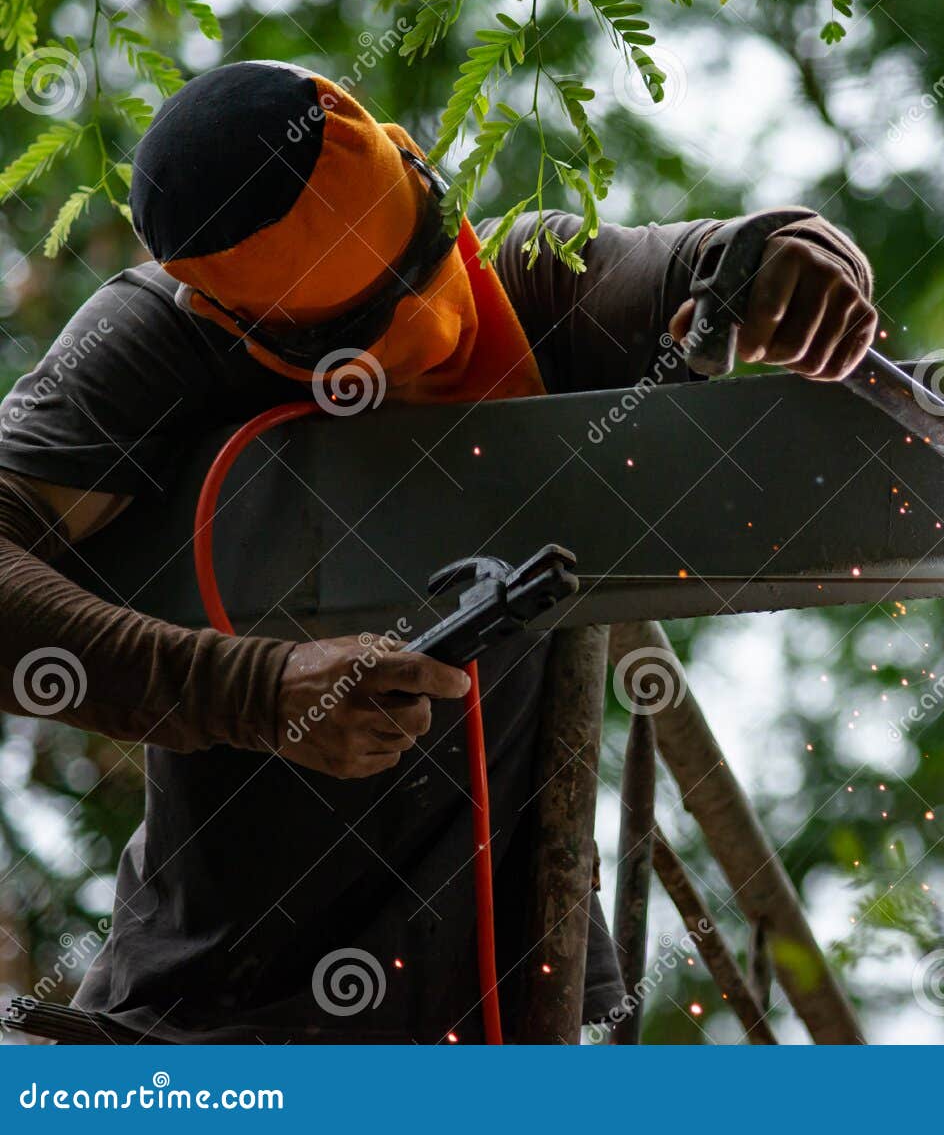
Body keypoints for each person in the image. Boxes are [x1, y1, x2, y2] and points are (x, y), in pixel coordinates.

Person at [0, 61, 876, 1042]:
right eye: (359, 328)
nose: (434, 324)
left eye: (423, 253)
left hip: (499, 1025)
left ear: (419, 171)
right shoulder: (150, 346)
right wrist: (252, 692)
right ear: (224, 320)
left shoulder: (531, 277)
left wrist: (791, 262)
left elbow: (716, 261)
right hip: (206, 1024)